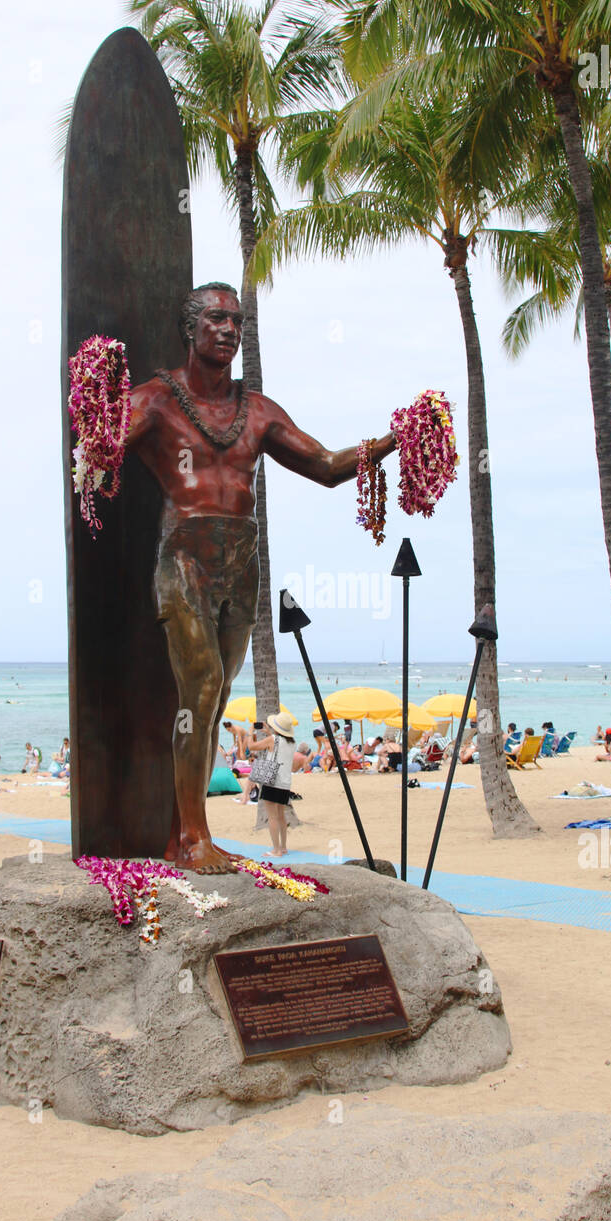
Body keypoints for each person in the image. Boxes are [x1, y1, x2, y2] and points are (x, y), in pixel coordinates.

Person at [124, 283, 395, 872]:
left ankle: (181, 834)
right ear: (190, 328)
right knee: (200, 684)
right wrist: (94, 401)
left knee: (216, 698)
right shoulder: (155, 400)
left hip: (242, 562)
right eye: (217, 319)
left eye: (237, 321)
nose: (229, 330)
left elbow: (324, 466)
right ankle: (195, 838)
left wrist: (396, 439)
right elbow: (95, 451)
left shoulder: (258, 411)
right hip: (185, 555)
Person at [247, 712, 295, 856]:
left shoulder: (273, 739)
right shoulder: (292, 742)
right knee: (281, 815)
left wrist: (250, 732)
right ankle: (284, 847)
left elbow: (252, 747)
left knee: (272, 816)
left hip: (272, 781)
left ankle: (276, 849)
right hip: (285, 783)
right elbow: (278, 748)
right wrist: (269, 733)